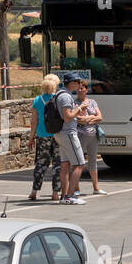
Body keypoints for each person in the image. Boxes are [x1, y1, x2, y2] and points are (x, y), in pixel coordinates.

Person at [28, 74, 62, 201]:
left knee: (41, 163)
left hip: (42, 135)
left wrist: (31, 138)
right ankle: (55, 192)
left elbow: (33, 122)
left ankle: (34, 191)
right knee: (57, 163)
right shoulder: (58, 99)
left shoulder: (37, 100)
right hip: (57, 135)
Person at [55, 73, 86, 204]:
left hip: (60, 133)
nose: (79, 85)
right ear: (71, 82)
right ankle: (70, 196)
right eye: (78, 82)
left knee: (64, 165)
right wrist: (79, 108)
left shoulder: (58, 94)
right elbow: (67, 117)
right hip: (68, 133)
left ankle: (64, 196)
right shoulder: (66, 97)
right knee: (79, 164)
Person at [74, 78, 106, 195]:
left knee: (93, 161)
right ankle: (76, 188)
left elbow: (100, 117)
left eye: (82, 88)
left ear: (86, 90)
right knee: (78, 162)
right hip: (80, 135)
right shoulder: (75, 103)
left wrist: (88, 118)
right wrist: (91, 118)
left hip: (93, 135)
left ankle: (96, 188)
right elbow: (79, 120)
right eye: (78, 88)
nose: (79, 90)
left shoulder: (92, 102)